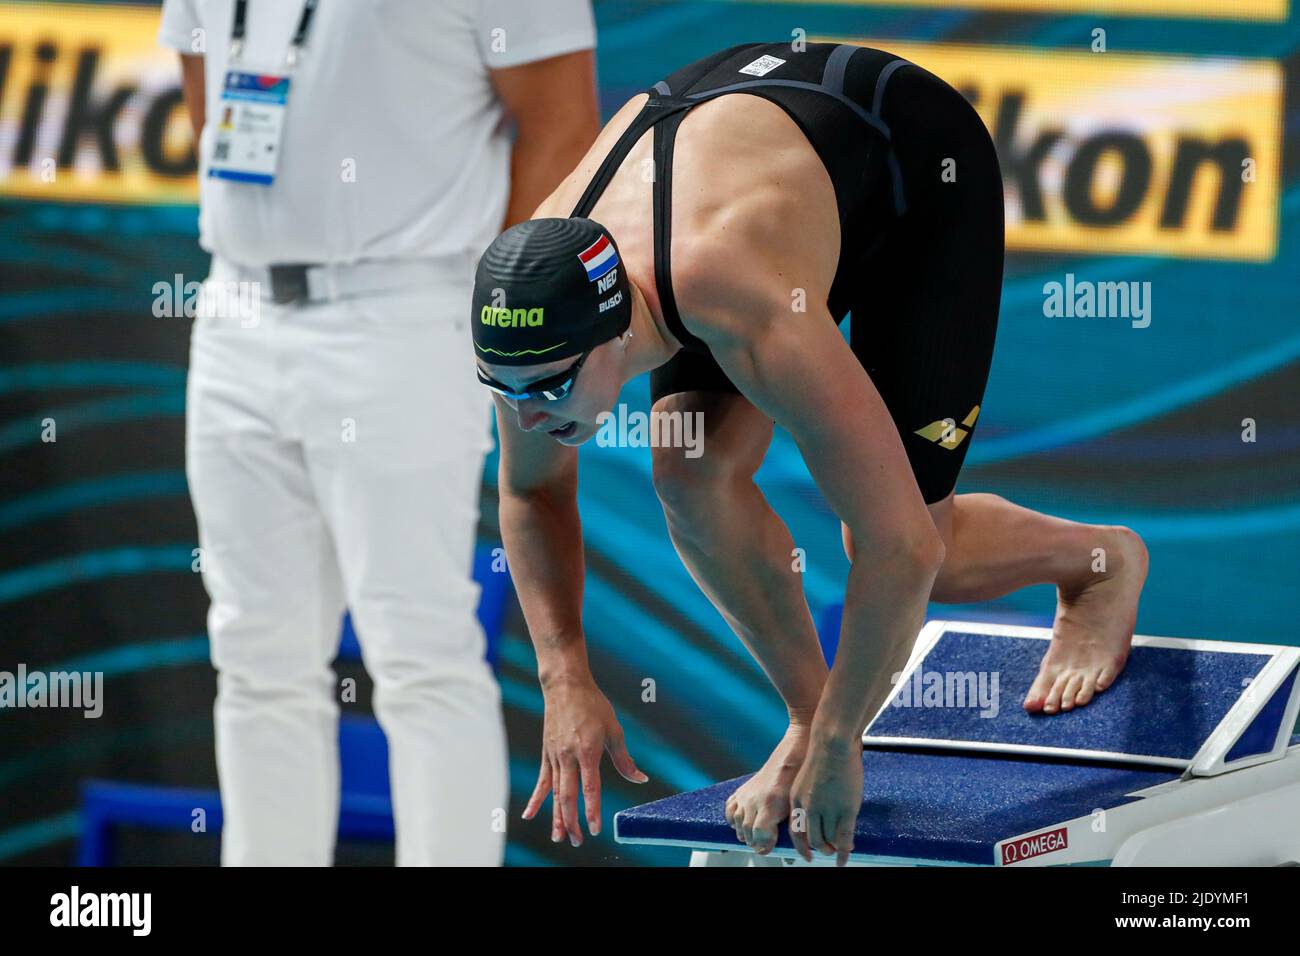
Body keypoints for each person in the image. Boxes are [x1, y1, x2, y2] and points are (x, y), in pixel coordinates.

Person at [470, 41, 1148, 865]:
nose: (525, 415)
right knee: (690, 478)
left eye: (545, 391)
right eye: (502, 391)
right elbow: (531, 495)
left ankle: (1098, 560)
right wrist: (563, 677)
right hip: (737, 163)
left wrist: (840, 747)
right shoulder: (532, 325)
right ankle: (801, 712)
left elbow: (903, 551)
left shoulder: (736, 292)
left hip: (902, 159)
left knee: (913, 542)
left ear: (617, 335)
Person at [159, 0, 599, 865]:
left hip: (404, 309)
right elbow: (208, 99)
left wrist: (485, 305)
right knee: (254, 657)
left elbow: (563, 125)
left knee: (420, 653)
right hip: (236, 305)